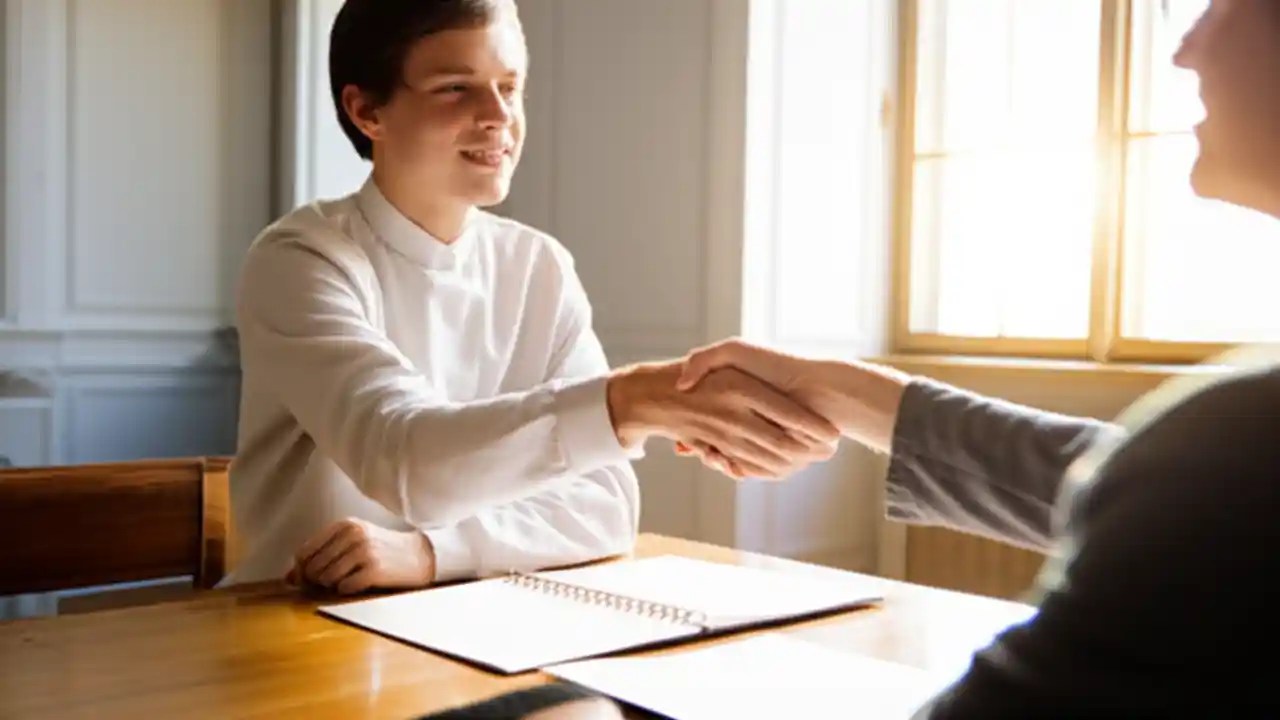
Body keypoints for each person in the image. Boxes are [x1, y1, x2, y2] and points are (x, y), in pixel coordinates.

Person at [438, 0, 1280, 717]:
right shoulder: (1222, 453)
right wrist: (849, 395)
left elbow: (1181, 492)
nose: (1183, 44)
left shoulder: (1232, 445)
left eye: (1231, 1)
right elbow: (1128, 481)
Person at [224, 0, 838, 593]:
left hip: (465, 620)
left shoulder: (538, 265)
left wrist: (433, 553)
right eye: (455, 88)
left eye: (510, 87)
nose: (498, 115)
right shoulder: (301, 260)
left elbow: (605, 507)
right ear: (366, 111)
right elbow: (405, 459)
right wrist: (629, 402)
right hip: (292, 624)